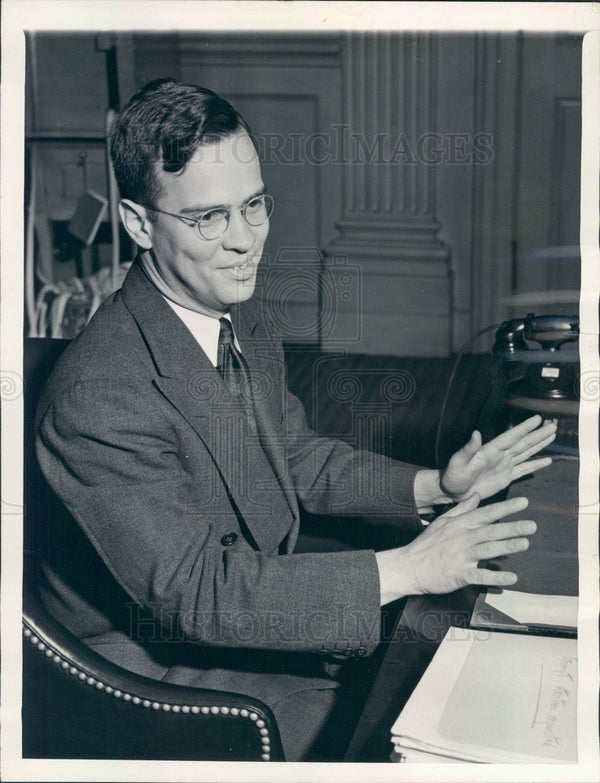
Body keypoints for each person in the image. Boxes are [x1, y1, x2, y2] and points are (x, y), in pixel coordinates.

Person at [35, 79, 557, 761]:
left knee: (456, 664)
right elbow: (198, 593)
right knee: (398, 737)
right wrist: (407, 567)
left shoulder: (238, 310)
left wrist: (433, 487)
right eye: (209, 219)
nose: (246, 241)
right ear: (137, 224)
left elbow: (295, 454)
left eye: (253, 205)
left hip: (240, 603)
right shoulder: (97, 396)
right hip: (147, 677)